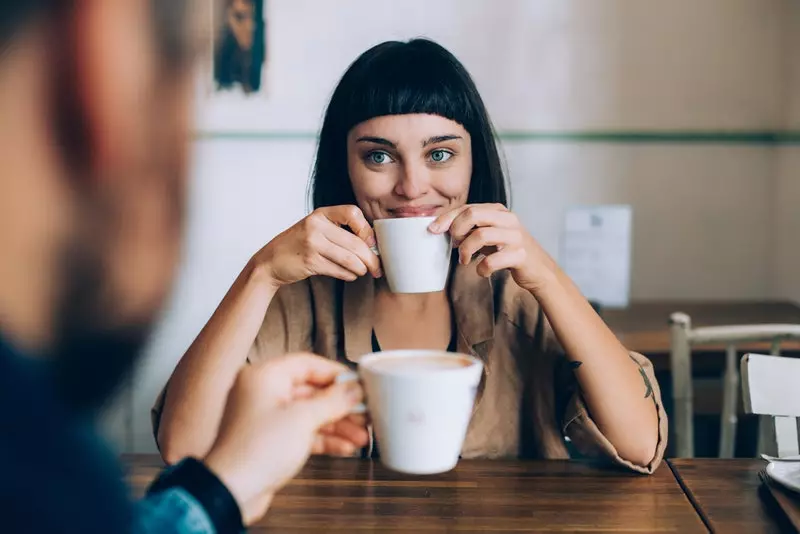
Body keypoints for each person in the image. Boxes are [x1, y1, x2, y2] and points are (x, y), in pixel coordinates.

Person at [155, 39, 668, 473]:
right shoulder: (301, 295)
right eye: (379, 156)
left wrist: (549, 277)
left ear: (474, 163)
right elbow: (184, 447)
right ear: (346, 168)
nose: (411, 187)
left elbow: (639, 445)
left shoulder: (514, 289)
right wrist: (261, 272)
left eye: (439, 154)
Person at [0, 1, 366, 532]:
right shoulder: (54, 481)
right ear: (102, 63)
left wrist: (222, 489)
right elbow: (181, 442)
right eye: (190, 66)